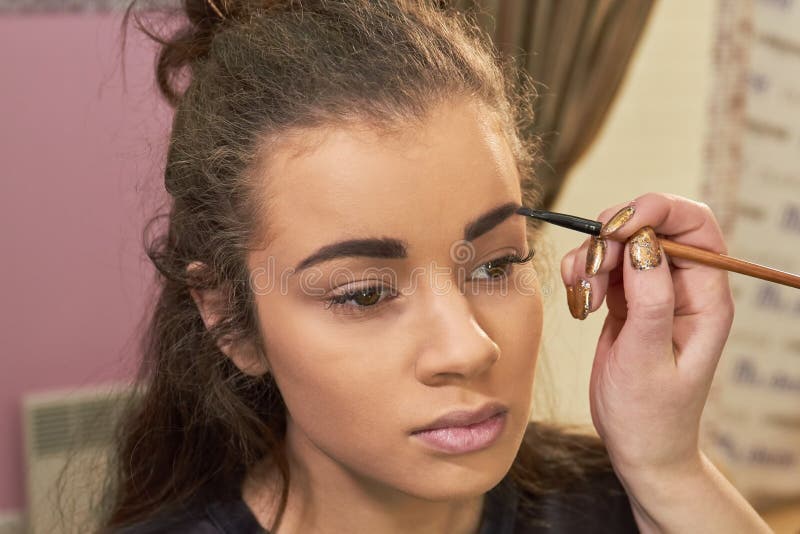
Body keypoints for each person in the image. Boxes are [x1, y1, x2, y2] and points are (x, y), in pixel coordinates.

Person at [98, 0, 773, 532]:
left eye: (495, 265)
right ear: (230, 322)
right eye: (363, 295)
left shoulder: (636, 502)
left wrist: (667, 467)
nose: (469, 347)